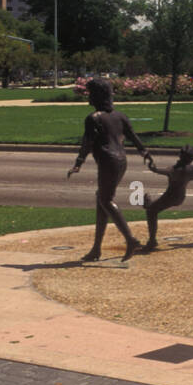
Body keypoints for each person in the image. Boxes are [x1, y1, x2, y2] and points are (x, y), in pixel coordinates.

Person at [68, 78, 150, 261]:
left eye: (90, 94)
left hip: (107, 161)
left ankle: (130, 239)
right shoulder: (120, 116)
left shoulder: (93, 118)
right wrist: (144, 152)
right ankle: (96, 249)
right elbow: (133, 136)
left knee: (105, 200)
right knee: (101, 201)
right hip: (121, 161)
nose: (88, 98)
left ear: (97, 96)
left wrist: (78, 163)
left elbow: (87, 143)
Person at [142, 145, 193, 250]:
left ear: (180, 156)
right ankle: (148, 205)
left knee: (151, 211)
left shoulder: (174, 170)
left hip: (169, 197)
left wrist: (151, 165)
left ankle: (152, 241)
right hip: (180, 198)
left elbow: (157, 170)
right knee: (152, 208)